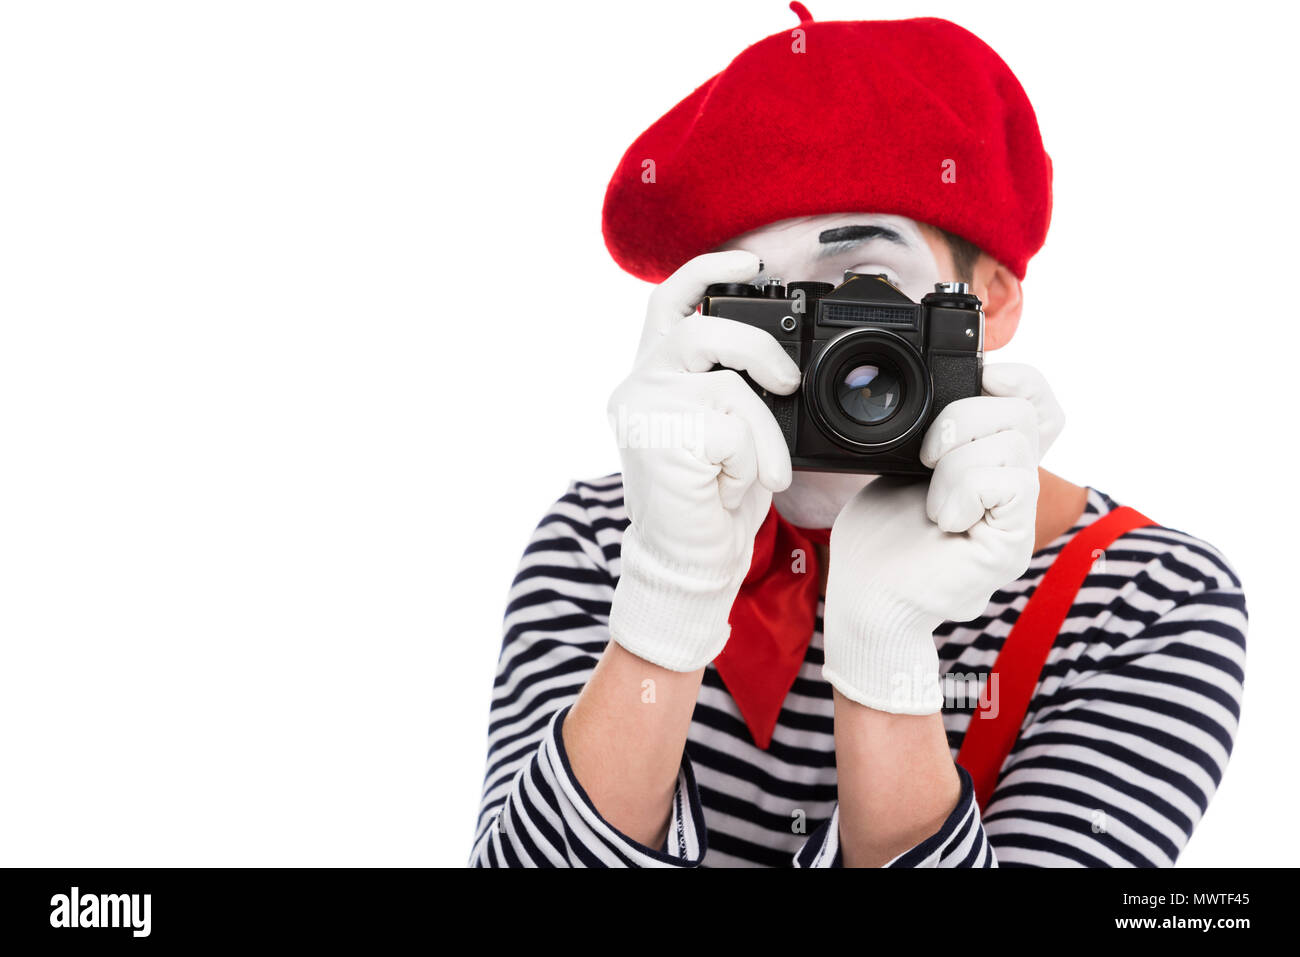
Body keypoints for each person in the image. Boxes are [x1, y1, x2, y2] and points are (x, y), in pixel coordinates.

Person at [470, 5, 1247, 867]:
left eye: (863, 284)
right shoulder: (600, 540)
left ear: (987, 302)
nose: (814, 355)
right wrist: (665, 598)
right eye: (763, 300)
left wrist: (884, 654)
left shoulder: (1149, 601)